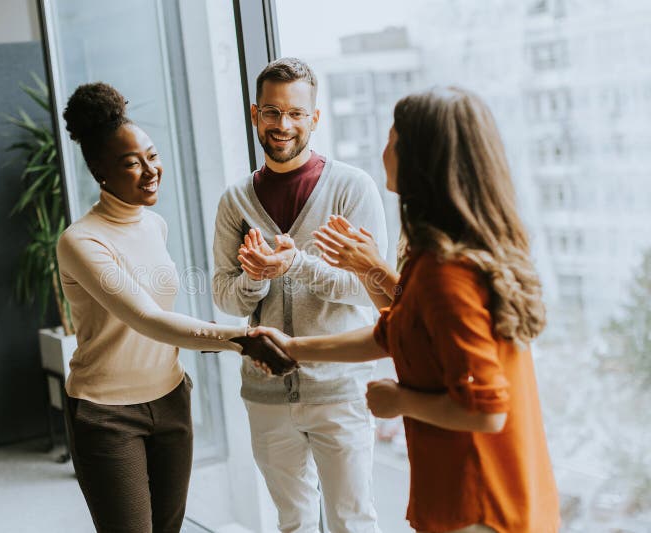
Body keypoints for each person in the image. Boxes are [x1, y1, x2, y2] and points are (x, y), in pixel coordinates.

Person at [253, 87, 561, 533]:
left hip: (477, 504)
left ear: (421, 161)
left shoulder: (445, 272)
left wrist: (399, 400)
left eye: (393, 140)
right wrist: (294, 347)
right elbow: (397, 332)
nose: (383, 151)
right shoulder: (447, 254)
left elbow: (487, 410)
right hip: (495, 491)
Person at [56, 82, 294, 533]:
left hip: (168, 399)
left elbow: (158, 312)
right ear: (100, 172)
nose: (150, 171)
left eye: (153, 155)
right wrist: (241, 339)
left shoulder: (155, 224)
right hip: (107, 413)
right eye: (131, 163)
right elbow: (145, 318)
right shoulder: (81, 242)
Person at [212, 58, 387, 533]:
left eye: (295, 113)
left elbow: (368, 288)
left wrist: (296, 264)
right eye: (271, 112)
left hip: (340, 389)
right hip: (265, 390)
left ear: (315, 117)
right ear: (255, 115)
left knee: (352, 520)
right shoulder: (234, 200)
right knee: (293, 521)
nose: (282, 125)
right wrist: (256, 278)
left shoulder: (352, 188)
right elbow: (226, 297)